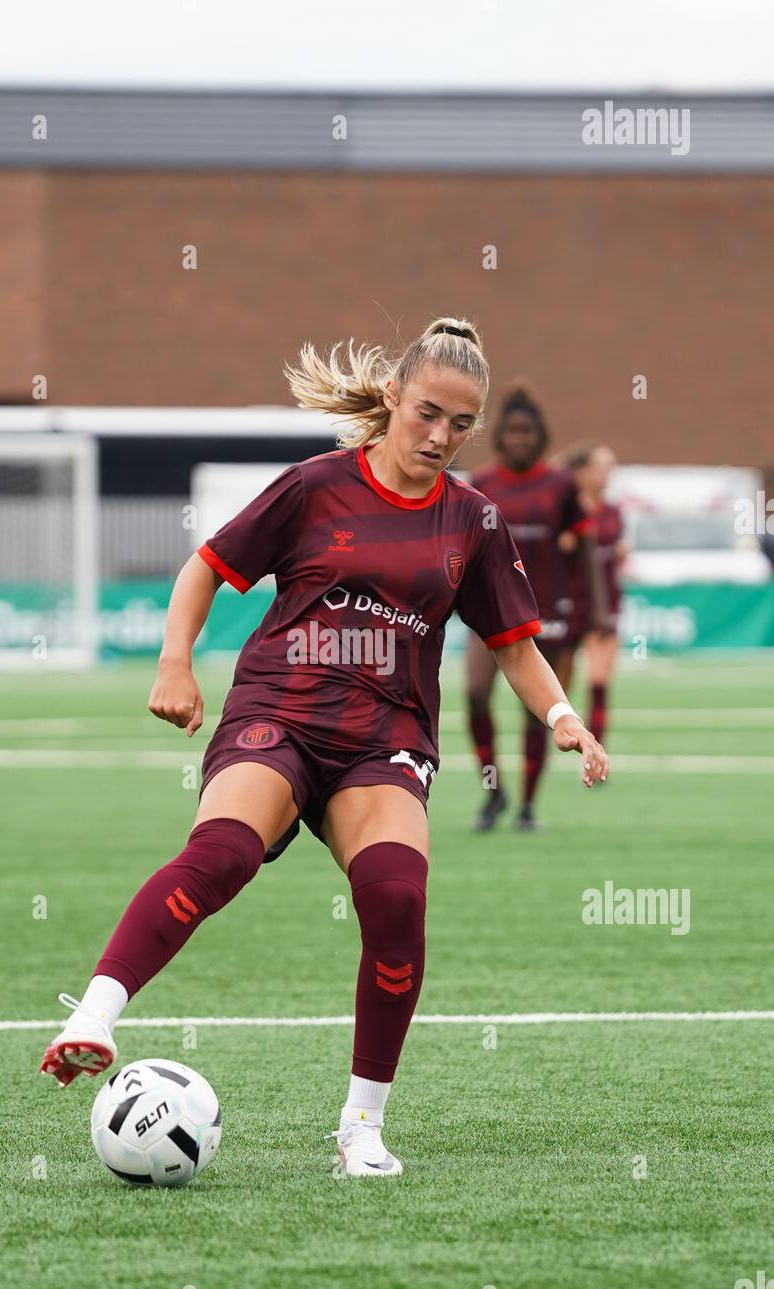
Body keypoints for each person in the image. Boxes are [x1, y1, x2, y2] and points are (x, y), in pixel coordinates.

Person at [39, 317, 609, 1178]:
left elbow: (514, 646)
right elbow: (206, 567)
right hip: (281, 711)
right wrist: (174, 664)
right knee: (223, 853)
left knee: (395, 899)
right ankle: (95, 1015)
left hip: (386, 739)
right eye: (427, 414)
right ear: (393, 398)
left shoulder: (474, 521)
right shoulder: (313, 488)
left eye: (462, 425)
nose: (441, 438)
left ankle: (361, 1127)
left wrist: (564, 716)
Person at [466, 385, 608, 831]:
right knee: (474, 693)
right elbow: (465, 550)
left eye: (528, 430)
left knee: (540, 710)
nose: (520, 438)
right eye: (512, 430)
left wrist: (598, 609)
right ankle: (493, 792)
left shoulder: (561, 486)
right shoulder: (482, 484)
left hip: (549, 609)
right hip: (488, 609)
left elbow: (585, 547)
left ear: (541, 435)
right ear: (499, 436)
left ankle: (527, 806)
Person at [555, 440, 627, 745]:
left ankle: (598, 750)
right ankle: (555, 738)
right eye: (601, 466)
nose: (608, 472)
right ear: (582, 472)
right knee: (560, 685)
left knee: (599, 680)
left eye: (611, 466)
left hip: (604, 602)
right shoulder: (565, 510)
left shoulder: (612, 511)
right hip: (569, 603)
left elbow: (616, 551)